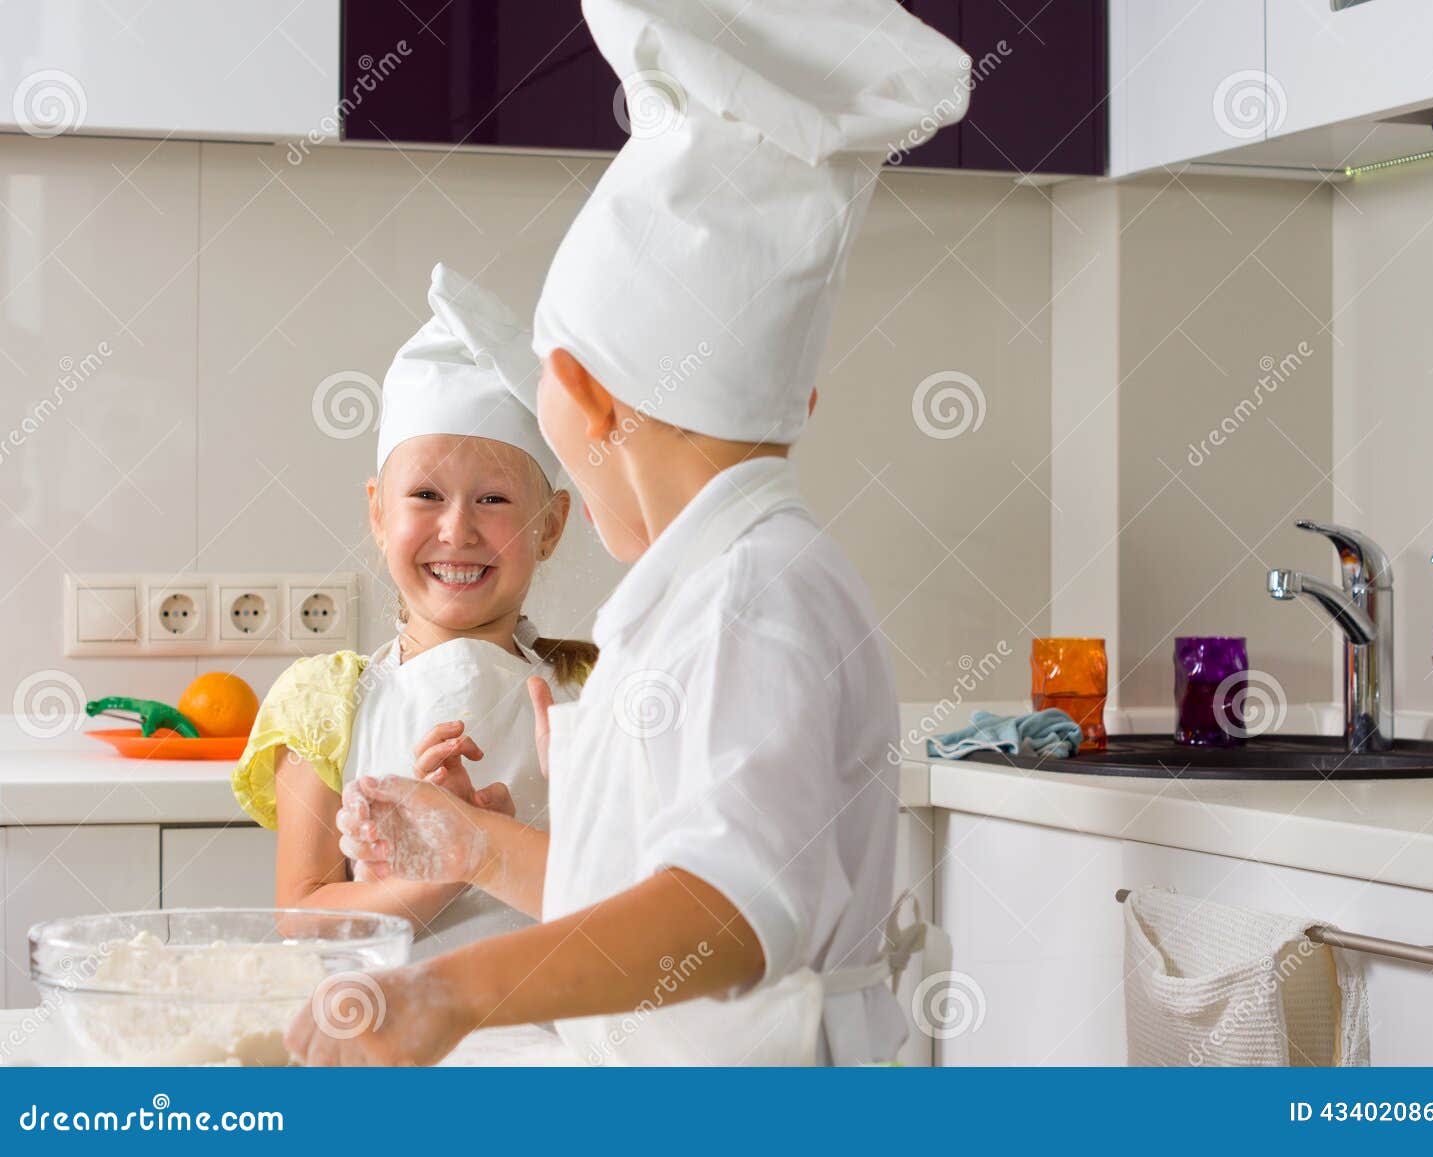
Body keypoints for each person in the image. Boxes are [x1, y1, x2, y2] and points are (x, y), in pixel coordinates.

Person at [286, 0, 969, 1065]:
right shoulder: (701, 588)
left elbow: (723, 916)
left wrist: (454, 989)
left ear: (581, 397)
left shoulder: (749, 594)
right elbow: (639, 888)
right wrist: (473, 844)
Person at [233, 264, 592, 954]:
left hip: (551, 1042)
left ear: (550, 526)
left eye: (493, 499)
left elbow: (630, 898)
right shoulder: (324, 704)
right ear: (377, 510)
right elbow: (305, 912)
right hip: (379, 1039)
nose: (457, 530)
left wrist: (479, 840)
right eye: (426, 495)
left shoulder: (590, 694)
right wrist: (455, 861)